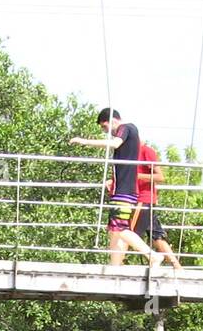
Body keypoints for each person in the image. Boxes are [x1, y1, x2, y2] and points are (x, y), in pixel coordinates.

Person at [71, 108, 163, 268]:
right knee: (115, 229)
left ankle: (153, 256)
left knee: (120, 229)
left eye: (105, 127)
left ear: (112, 120)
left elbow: (115, 143)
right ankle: (114, 267)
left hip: (125, 190)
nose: (107, 132)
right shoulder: (129, 133)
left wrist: (85, 141)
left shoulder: (126, 128)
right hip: (122, 189)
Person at [134, 140, 182, 270]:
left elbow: (160, 176)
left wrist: (137, 176)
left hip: (143, 199)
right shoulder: (129, 153)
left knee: (128, 233)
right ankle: (177, 267)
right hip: (141, 199)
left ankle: (118, 263)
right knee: (156, 235)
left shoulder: (145, 151)